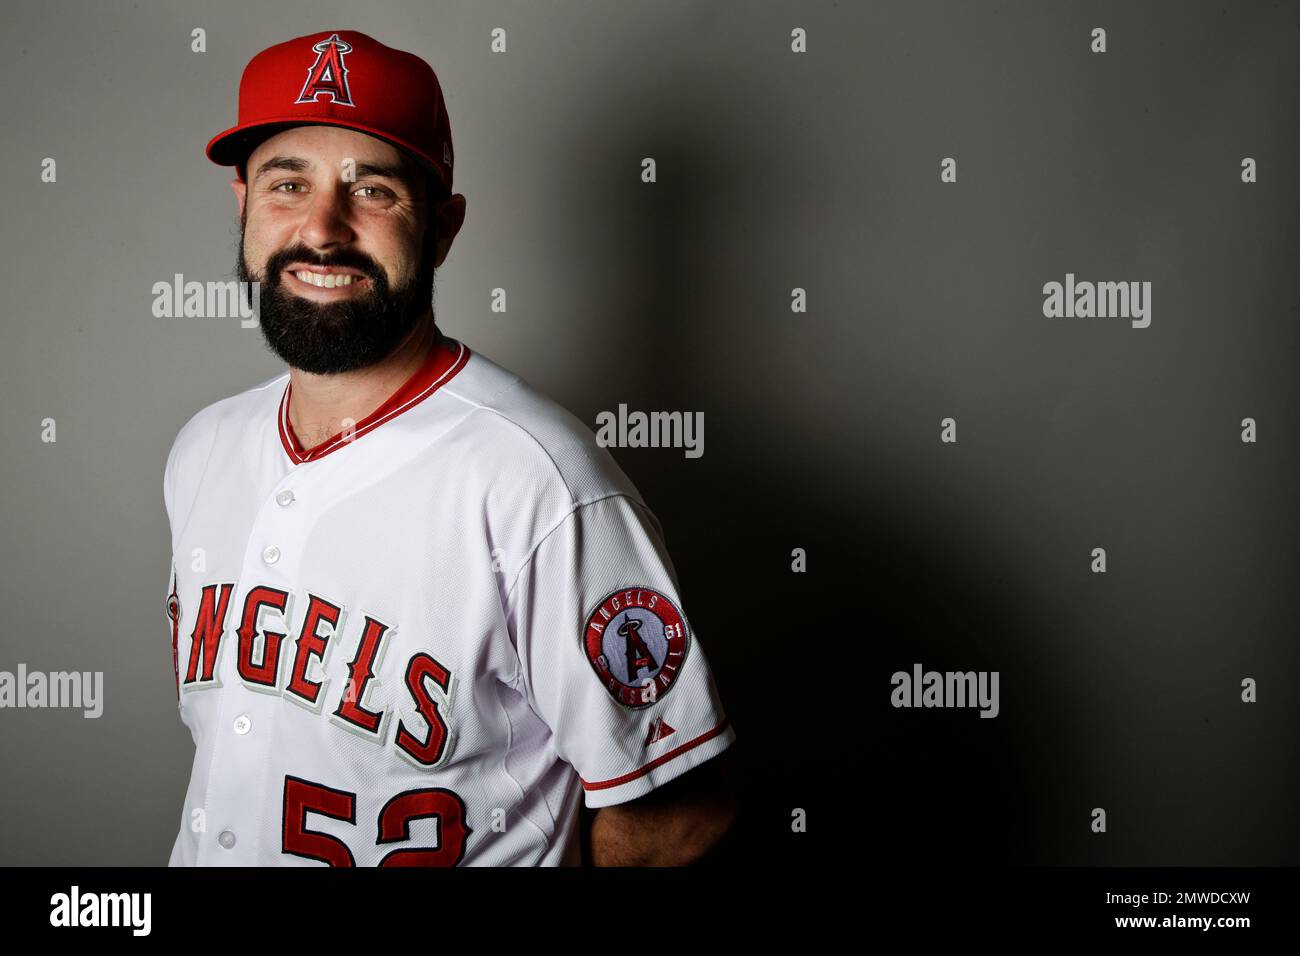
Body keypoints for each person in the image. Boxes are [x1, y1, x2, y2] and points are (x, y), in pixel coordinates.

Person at [162, 30, 737, 866]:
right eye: (290, 184)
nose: (322, 230)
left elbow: (682, 814)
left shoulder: (541, 484)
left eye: (375, 191)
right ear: (244, 201)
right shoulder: (202, 449)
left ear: (443, 228)